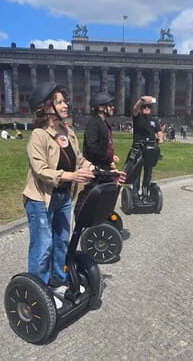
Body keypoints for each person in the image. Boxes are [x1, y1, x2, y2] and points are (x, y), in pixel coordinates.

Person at [23, 82, 94, 304]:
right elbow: (41, 170)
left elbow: (79, 159)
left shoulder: (67, 132)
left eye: (65, 100)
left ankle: (59, 279)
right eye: (60, 101)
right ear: (46, 107)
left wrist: (99, 169)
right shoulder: (38, 135)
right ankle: (40, 292)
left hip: (63, 197)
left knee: (62, 240)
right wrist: (72, 176)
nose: (66, 105)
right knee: (43, 245)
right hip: (40, 199)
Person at [83, 91, 120, 170]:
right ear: (101, 107)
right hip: (97, 168)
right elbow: (92, 149)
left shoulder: (103, 123)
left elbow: (104, 147)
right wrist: (109, 159)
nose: (113, 107)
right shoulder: (93, 124)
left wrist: (111, 157)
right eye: (110, 105)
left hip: (103, 166)